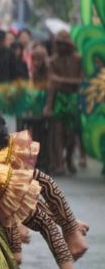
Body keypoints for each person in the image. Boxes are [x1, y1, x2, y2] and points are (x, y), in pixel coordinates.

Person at [44, 31, 84, 175]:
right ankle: (58, 163)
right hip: (59, 99)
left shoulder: (78, 59)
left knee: (72, 134)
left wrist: (61, 80)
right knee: (57, 133)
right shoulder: (53, 61)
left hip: (73, 98)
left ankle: (68, 159)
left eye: (64, 44)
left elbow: (81, 81)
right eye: (59, 44)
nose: (61, 47)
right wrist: (49, 106)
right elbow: (52, 85)